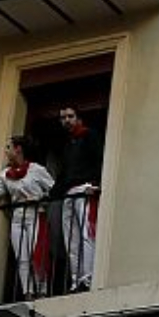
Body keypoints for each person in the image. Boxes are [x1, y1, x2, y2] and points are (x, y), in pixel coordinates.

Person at [0, 135, 54, 299]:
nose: (6, 151)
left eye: (8, 147)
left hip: (34, 214)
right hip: (17, 217)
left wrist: (39, 199)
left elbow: (53, 189)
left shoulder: (36, 170)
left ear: (18, 149)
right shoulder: (6, 174)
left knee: (36, 253)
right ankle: (28, 291)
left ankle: (42, 290)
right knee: (22, 257)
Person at [55, 107, 102, 291]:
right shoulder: (67, 144)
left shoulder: (89, 136)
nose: (66, 120)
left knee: (86, 234)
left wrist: (96, 184)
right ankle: (76, 279)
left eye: (70, 116)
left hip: (84, 188)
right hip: (69, 192)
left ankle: (87, 277)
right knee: (71, 239)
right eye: (63, 117)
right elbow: (63, 173)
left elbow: (98, 160)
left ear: (78, 118)